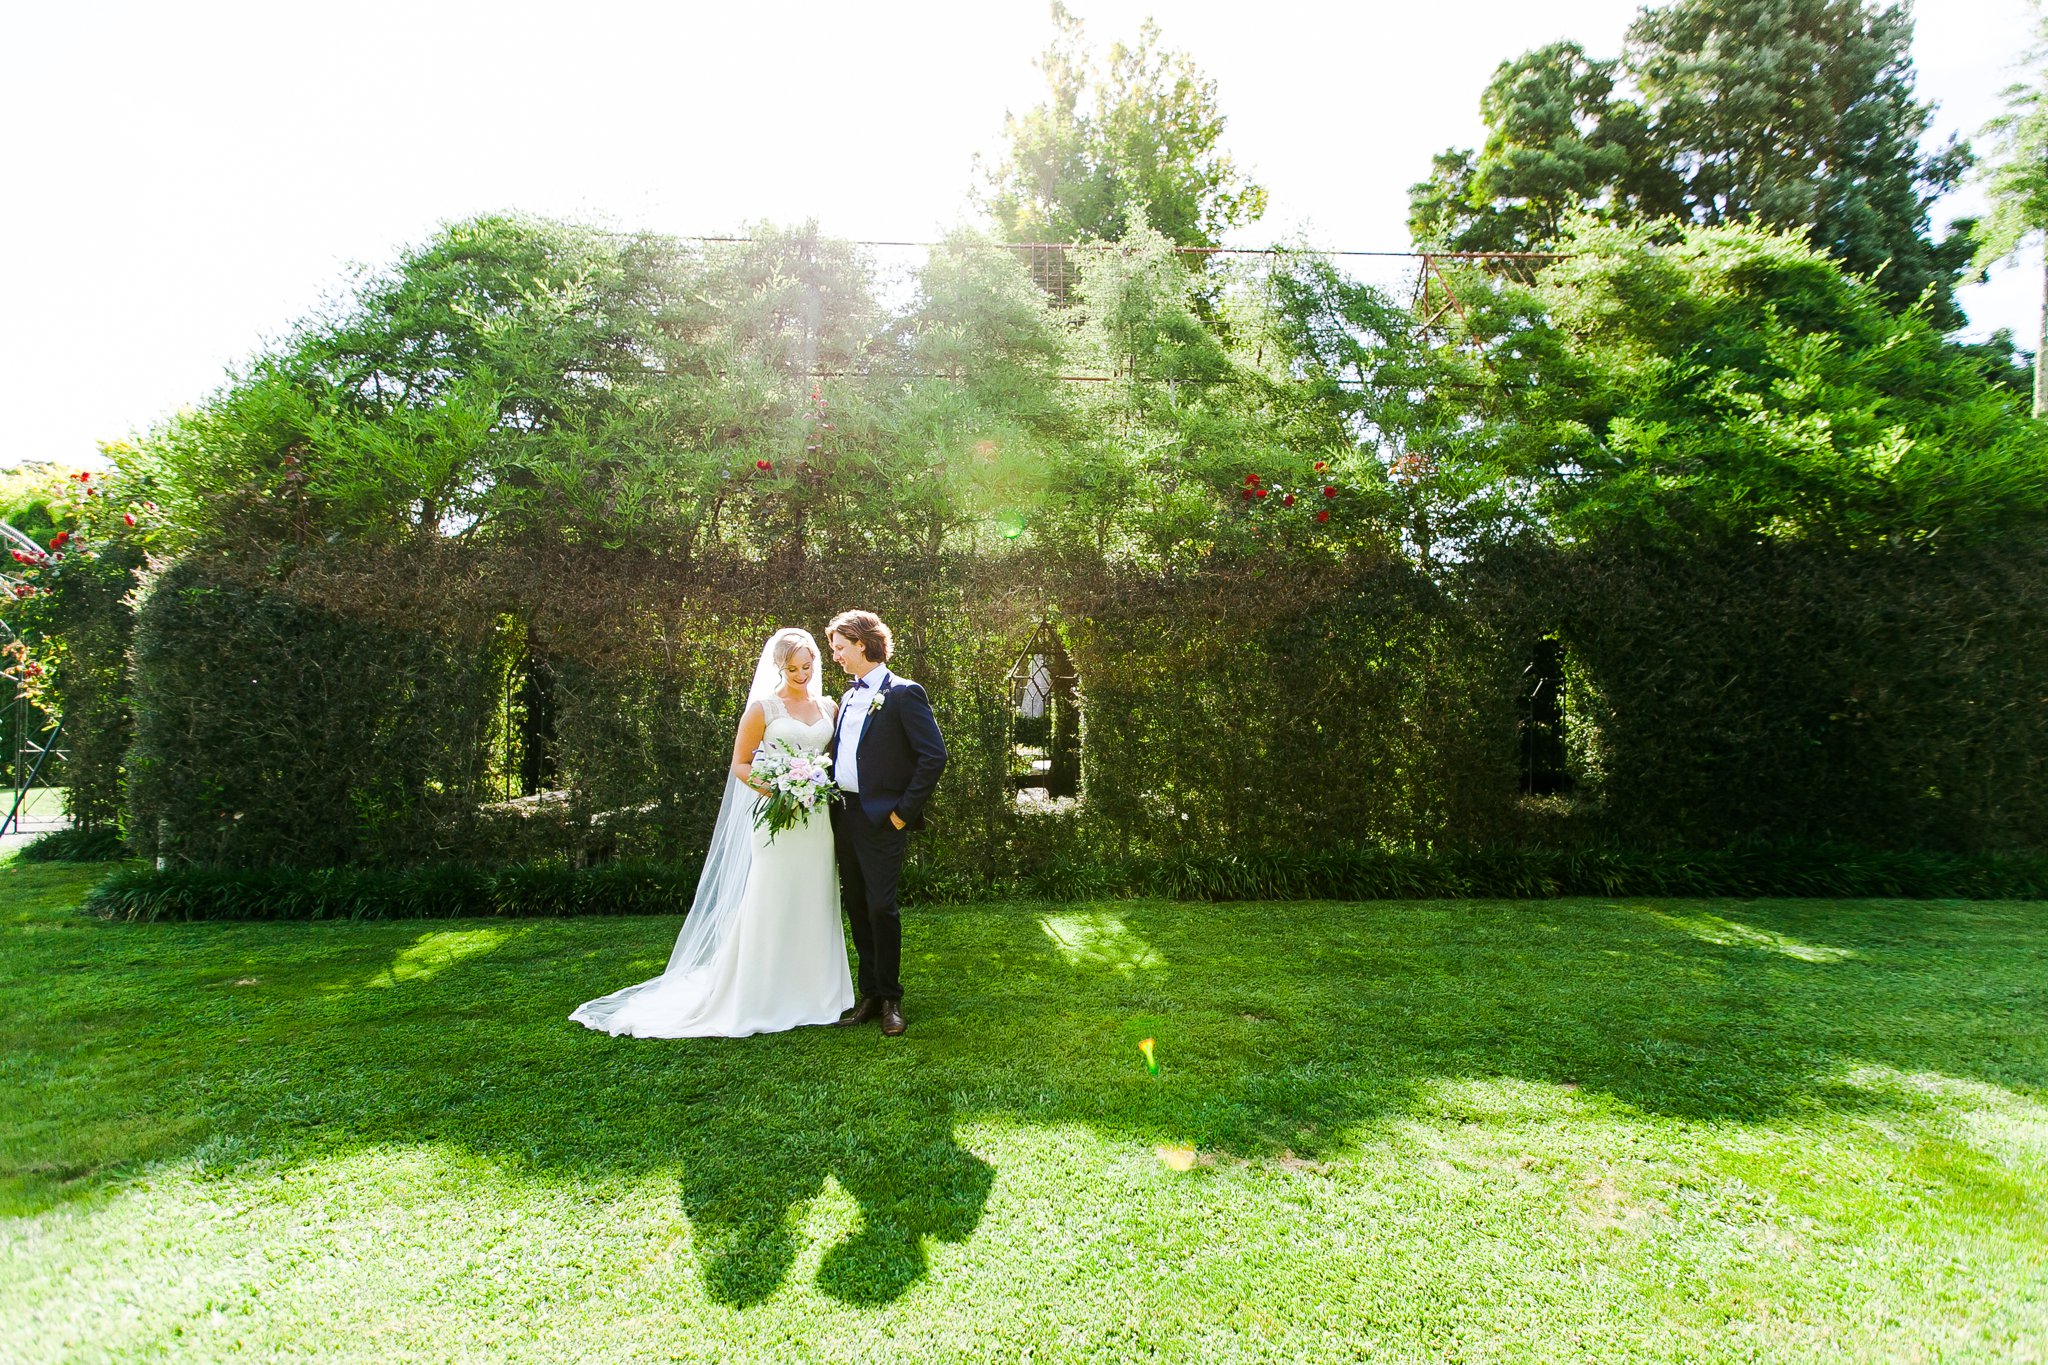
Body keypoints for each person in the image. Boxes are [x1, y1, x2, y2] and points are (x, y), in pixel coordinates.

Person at [570, 628, 853, 1038]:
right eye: (792, 668)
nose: (801, 674)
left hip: (816, 820)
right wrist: (778, 788)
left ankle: (817, 991)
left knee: (815, 895)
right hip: (776, 816)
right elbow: (740, 764)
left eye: (807, 666)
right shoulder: (763, 709)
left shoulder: (829, 706)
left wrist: (812, 786)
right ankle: (760, 992)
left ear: (816, 662)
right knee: (771, 896)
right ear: (778, 667)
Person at [826, 610, 947, 1037]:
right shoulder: (848, 697)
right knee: (857, 905)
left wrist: (902, 813)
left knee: (881, 906)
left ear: (863, 644)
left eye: (840, 647)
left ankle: (892, 997)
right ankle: (870, 995)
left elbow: (934, 756)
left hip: (883, 820)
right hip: (843, 815)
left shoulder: (903, 693)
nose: (835, 655)